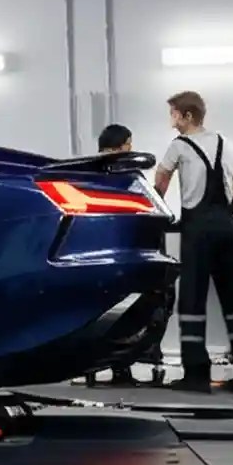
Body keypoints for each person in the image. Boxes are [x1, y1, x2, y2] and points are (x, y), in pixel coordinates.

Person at [154, 91, 233, 394]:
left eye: (173, 113)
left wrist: (154, 220)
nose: (171, 120)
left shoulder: (178, 146)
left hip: (197, 231)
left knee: (191, 301)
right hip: (226, 230)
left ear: (187, 116)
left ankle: (197, 376)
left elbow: (159, 186)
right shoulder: (229, 145)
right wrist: (222, 217)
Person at [97, 124, 139, 386]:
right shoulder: (126, 170)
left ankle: (106, 368)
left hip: (98, 249)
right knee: (129, 310)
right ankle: (122, 369)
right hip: (124, 246)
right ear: (123, 145)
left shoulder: (88, 170)